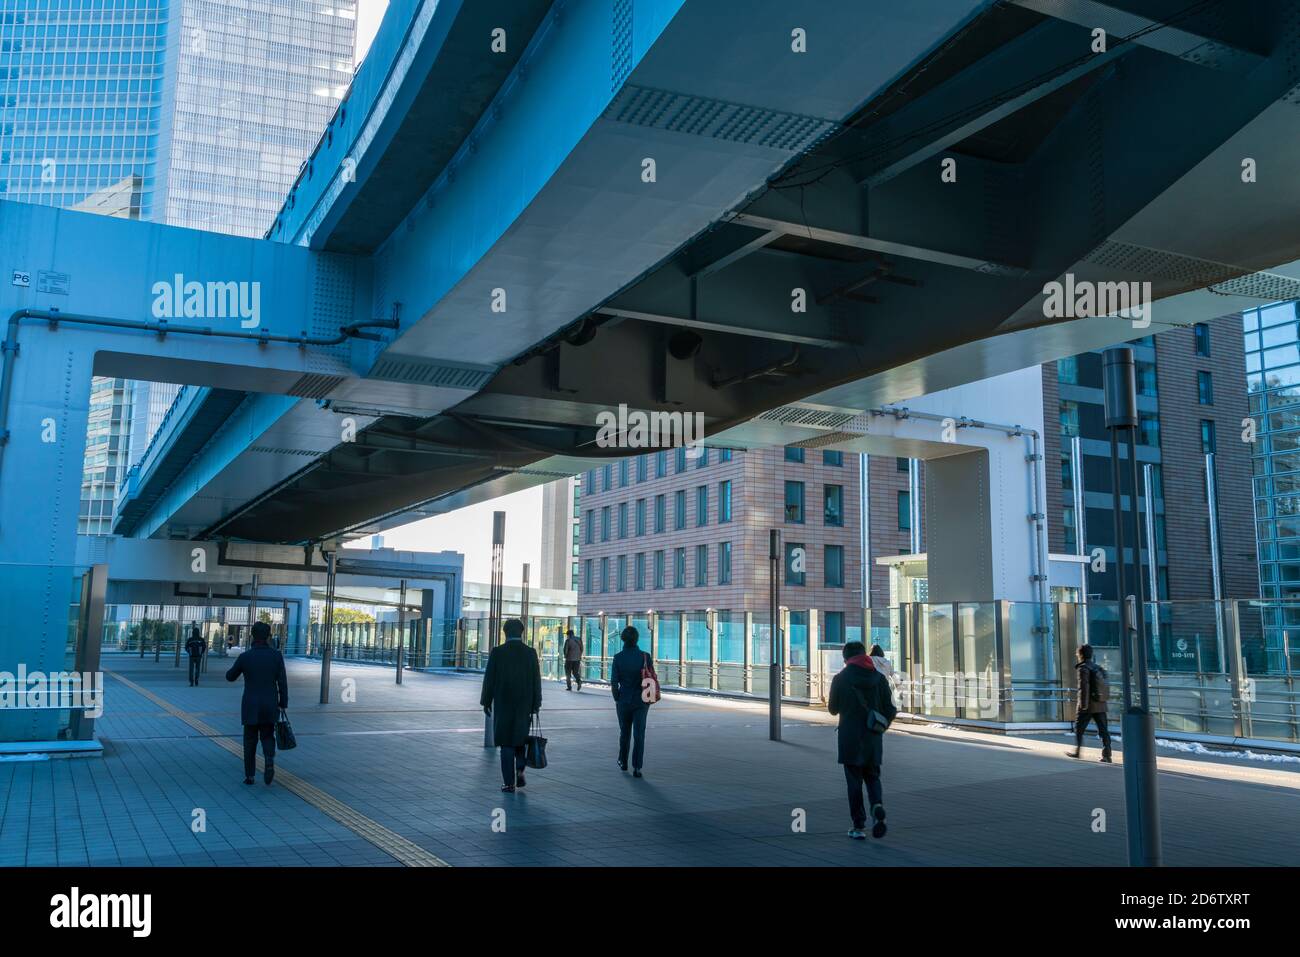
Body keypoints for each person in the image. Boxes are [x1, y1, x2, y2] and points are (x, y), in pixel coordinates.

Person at [827, 640, 898, 840]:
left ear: (846, 659)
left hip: (849, 738)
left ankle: (858, 826)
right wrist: (881, 726)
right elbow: (891, 708)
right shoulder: (878, 677)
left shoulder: (840, 678)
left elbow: (833, 709)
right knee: (873, 777)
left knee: (854, 782)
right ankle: (877, 807)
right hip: (873, 737)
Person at [480, 618, 542, 792]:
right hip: (525, 704)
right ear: (521, 633)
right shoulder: (530, 653)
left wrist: (486, 700)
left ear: (505, 632)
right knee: (520, 739)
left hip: (503, 703)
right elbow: (536, 680)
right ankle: (520, 772)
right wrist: (536, 703)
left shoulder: (498, 652)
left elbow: (489, 679)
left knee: (506, 742)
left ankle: (508, 783)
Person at [225, 620, 289, 786]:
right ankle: (268, 760)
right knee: (268, 735)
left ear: (252, 636)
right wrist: (283, 702)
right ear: (268, 637)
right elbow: (282, 682)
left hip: (250, 705)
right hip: (270, 703)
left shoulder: (245, 657)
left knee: (250, 740)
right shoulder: (276, 656)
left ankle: (250, 776)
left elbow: (230, 676)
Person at [609, 625, 652, 778]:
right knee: (639, 734)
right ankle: (637, 767)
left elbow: (614, 682)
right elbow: (650, 678)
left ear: (623, 640)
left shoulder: (618, 657)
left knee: (624, 732)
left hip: (624, 700)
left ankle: (623, 760)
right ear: (637, 639)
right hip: (642, 701)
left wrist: (617, 698)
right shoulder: (645, 656)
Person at [1067, 644, 1112, 762]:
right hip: (1101, 704)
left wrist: (1083, 706)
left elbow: (1084, 688)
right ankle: (1107, 755)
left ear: (1080, 655)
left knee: (1079, 728)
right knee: (1103, 730)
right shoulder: (1098, 667)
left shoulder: (1083, 668)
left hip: (1088, 705)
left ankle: (1077, 752)